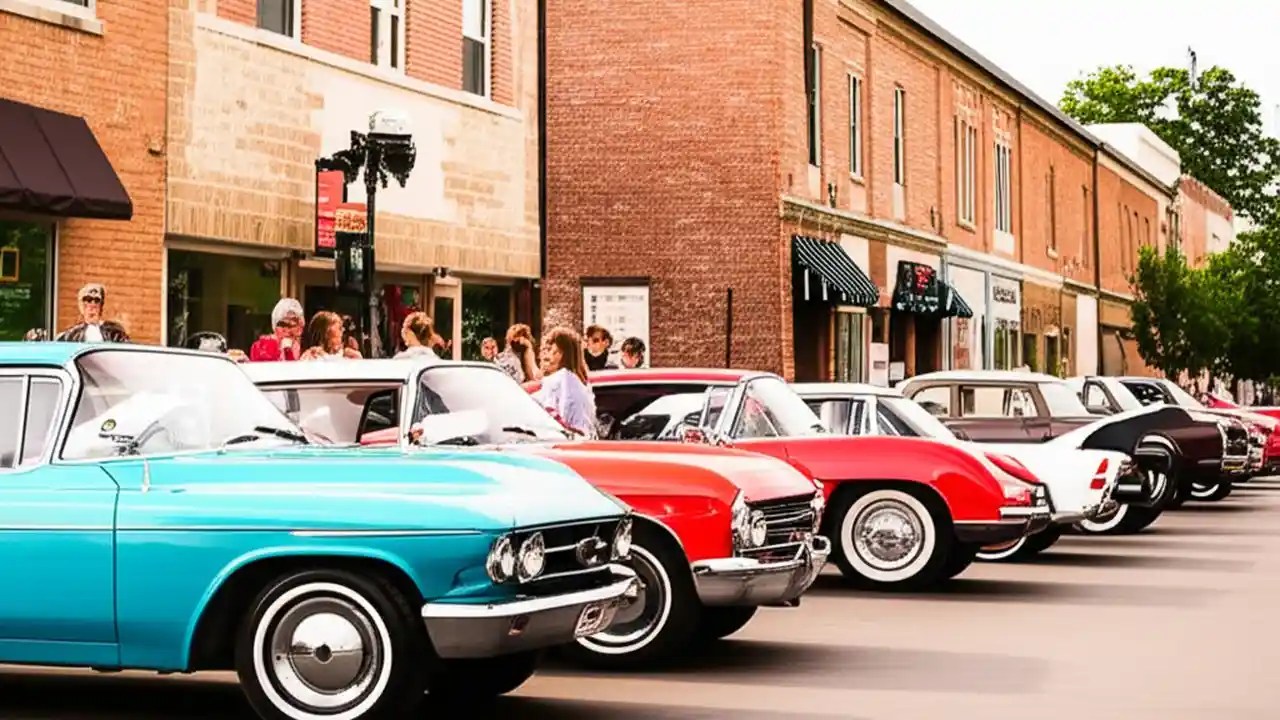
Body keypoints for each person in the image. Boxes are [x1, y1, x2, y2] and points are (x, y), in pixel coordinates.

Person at [532, 326, 597, 437]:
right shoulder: (581, 384)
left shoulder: (562, 380)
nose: (549, 357)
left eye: (555, 352)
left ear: (565, 355)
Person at [56, 283, 130, 343]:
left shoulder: (114, 332)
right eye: (88, 300)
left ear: (101, 306)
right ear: (82, 307)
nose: (92, 306)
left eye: (96, 301)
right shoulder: (72, 334)